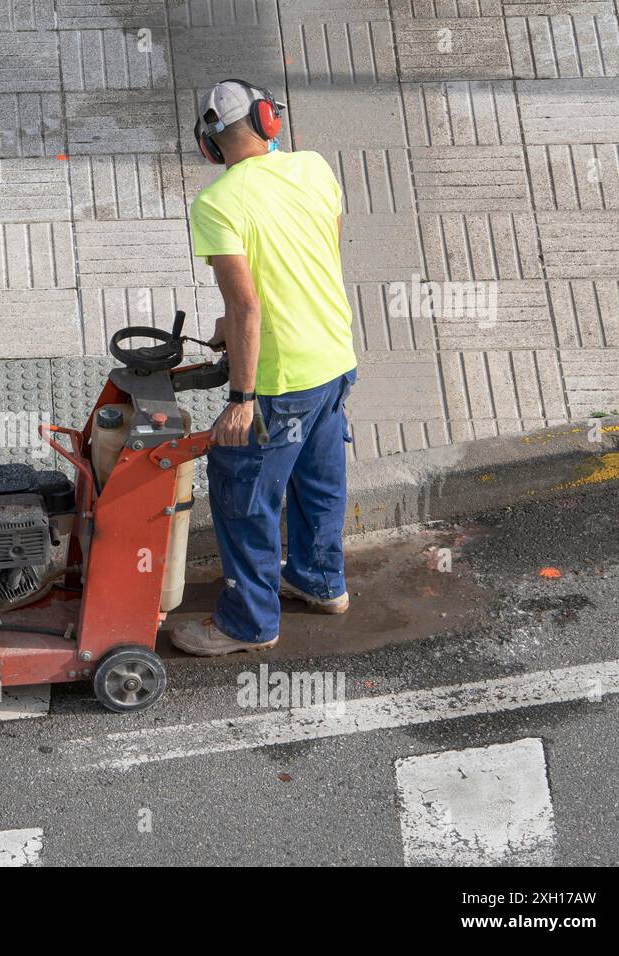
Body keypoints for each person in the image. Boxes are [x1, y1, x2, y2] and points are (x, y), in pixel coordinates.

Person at [172, 78, 359, 656]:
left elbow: (247, 303)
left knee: (241, 491)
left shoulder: (216, 204)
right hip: (335, 358)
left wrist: (241, 397)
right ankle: (320, 582)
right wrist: (232, 328)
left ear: (210, 143)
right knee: (318, 479)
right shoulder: (313, 167)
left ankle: (248, 622)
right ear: (267, 120)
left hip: (279, 384)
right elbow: (316, 255)